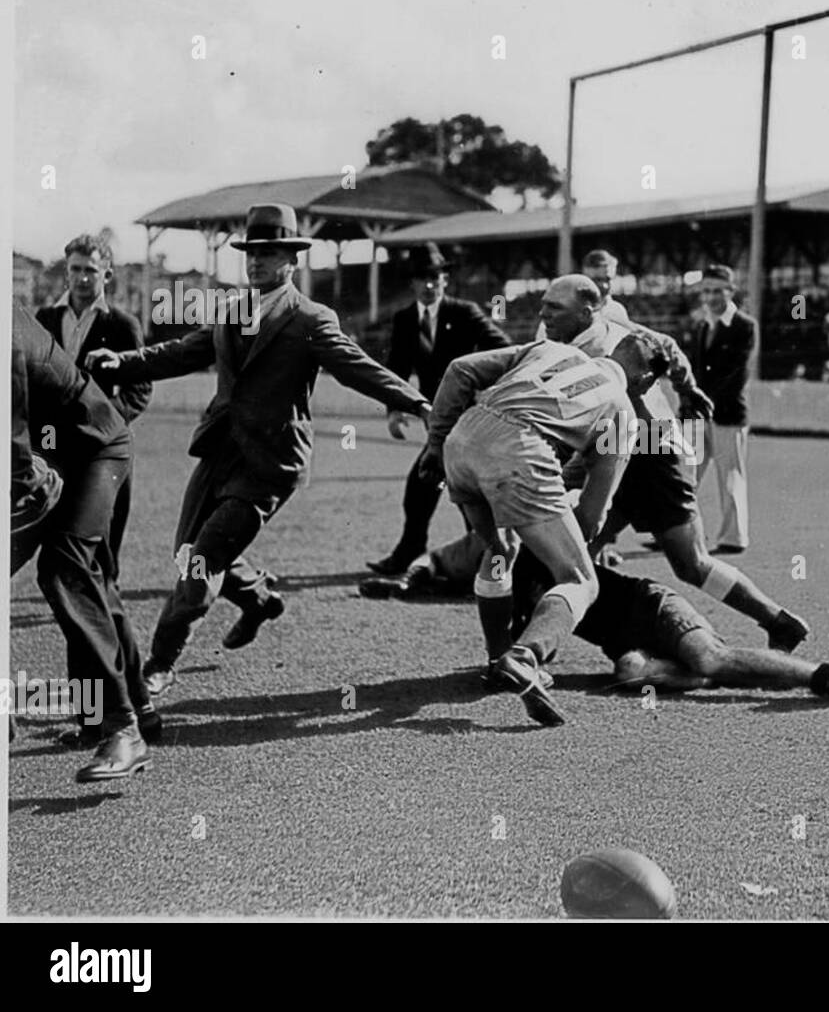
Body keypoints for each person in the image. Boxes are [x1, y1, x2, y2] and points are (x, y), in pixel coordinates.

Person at [86, 203, 433, 697]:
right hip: (219, 451)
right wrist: (121, 362)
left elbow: (358, 367)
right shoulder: (231, 310)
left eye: (269, 254)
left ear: (291, 259)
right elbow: (183, 352)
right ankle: (258, 598)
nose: (257, 264)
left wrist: (416, 401)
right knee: (187, 551)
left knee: (202, 558)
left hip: (270, 462)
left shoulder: (311, 319)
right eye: (252, 254)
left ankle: (159, 662)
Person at [417, 280, 655, 726]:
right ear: (644, 380)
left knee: (499, 551)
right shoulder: (623, 409)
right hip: (520, 452)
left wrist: (434, 446)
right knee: (582, 579)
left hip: (463, 438)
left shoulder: (550, 350)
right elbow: (593, 514)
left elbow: (458, 371)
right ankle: (527, 656)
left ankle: (497, 661)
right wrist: (562, 547)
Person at [541, 273, 808, 652]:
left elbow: (658, 354)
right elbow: (663, 345)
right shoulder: (577, 333)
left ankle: (778, 621)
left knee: (690, 564)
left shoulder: (603, 344)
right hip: (618, 453)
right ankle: (542, 642)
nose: (543, 315)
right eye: (544, 306)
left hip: (650, 455)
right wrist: (688, 387)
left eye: (553, 308)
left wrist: (689, 389)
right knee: (573, 549)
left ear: (585, 312)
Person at [12, 308, 159, 780]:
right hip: (49, 453)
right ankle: (138, 706)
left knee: (65, 568)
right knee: (91, 575)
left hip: (97, 445)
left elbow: (10, 427)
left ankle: (123, 730)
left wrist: (23, 483)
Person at [509, 549, 829, 706]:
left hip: (653, 606)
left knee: (710, 656)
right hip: (622, 641)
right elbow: (545, 641)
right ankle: (708, 678)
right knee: (630, 673)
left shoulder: (547, 546)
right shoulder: (519, 577)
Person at [367, 243, 509, 575]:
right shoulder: (404, 319)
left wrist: (478, 383)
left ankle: (481, 555)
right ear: (412, 283)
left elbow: (503, 349)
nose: (429, 285)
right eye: (421, 278)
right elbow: (396, 367)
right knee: (433, 485)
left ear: (445, 279)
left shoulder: (465, 313)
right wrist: (394, 409)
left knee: (443, 485)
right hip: (438, 422)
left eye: (435, 277)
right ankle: (464, 552)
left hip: (470, 419)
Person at [36, 233, 152, 571]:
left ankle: (106, 598)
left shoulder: (121, 325)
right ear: (66, 272)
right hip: (54, 442)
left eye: (91, 270)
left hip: (103, 445)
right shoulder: (45, 320)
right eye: (75, 269)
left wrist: (105, 423)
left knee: (105, 535)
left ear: (107, 275)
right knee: (56, 528)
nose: (82, 278)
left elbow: (140, 390)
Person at [688, 264, 755, 554]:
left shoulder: (744, 326)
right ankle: (675, 531)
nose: (711, 297)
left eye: (717, 291)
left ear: (730, 291)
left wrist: (706, 402)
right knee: (685, 476)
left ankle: (733, 537)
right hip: (700, 415)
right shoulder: (703, 326)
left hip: (727, 413)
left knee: (730, 477)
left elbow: (737, 374)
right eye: (706, 291)